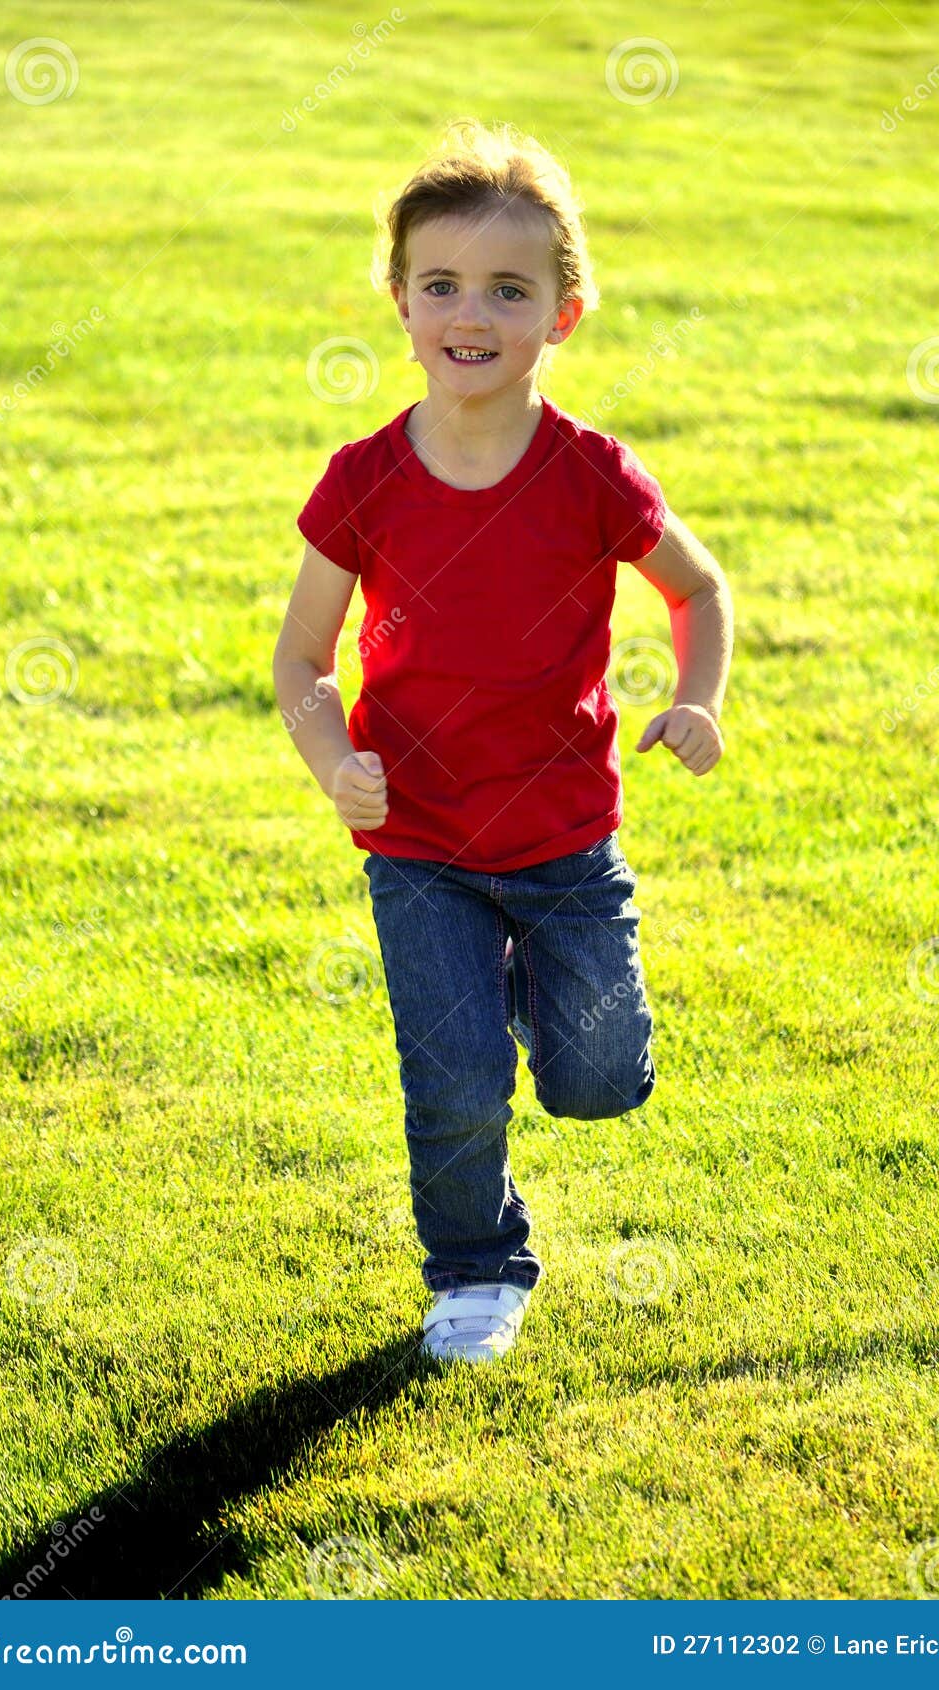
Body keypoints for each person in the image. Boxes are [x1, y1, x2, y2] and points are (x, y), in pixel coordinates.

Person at [273, 117, 733, 1367]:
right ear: (401, 301)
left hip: (565, 843)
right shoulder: (363, 482)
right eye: (441, 285)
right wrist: (335, 764)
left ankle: (535, 983)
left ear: (562, 314)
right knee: (457, 1080)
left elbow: (698, 588)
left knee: (593, 1079)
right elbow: (301, 660)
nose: (469, 312)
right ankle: (475, 1269)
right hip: (416, 842)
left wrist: (698, 699)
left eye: (507, 289)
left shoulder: (593, 475)